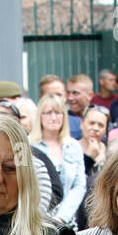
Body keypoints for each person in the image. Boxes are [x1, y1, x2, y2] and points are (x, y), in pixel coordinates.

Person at [30, 92, 86, 225]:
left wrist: (61, 217)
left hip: (67, 221)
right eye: (48, 112)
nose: (54, 117)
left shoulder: (74, 146)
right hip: (36, 220)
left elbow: (79, 186)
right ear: (40, 116)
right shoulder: (28, 145)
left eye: (58, 112)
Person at [77, 104, 109, 228]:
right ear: (82, 123)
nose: (95, 128)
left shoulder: (110, 151)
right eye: (91, 123)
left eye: (100, 125)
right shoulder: (71, 148)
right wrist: (88, 157)